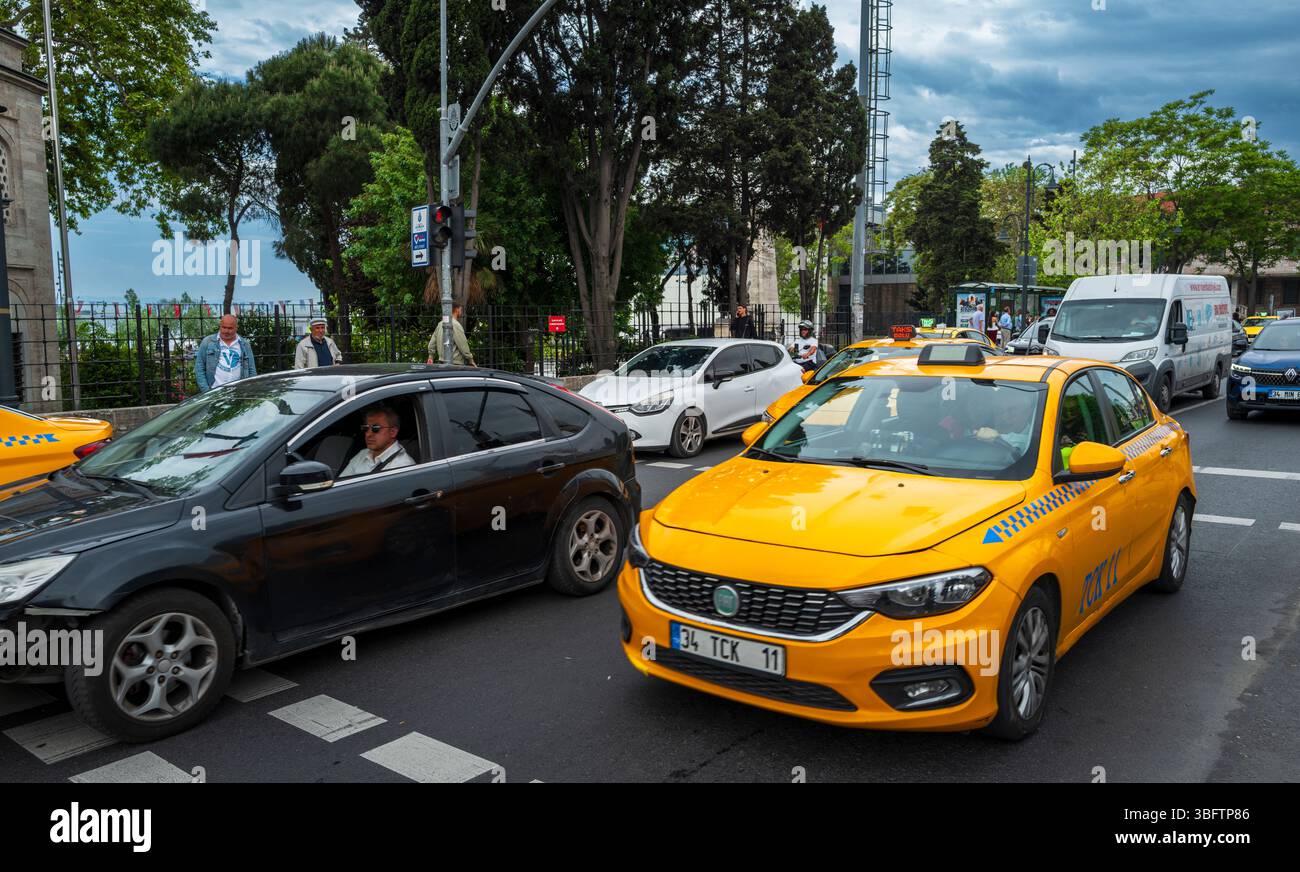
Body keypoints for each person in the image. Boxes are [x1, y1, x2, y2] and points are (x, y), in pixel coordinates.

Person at [339, 405, 415, 478]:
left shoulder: (403, 467)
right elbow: (341, 483)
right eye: (366, 428)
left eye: (376, 428)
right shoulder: (362, 454)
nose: (368, 434)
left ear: (393, 432)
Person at [195, 314, 256, 392]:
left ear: (236, 328)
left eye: (230, 328)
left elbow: (251, 370)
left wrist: (249, 391)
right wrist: (206, 391)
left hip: (238, 392)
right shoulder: (208, 342)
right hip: (214, 392)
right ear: (220, 326)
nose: (226, 331)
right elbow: (199, 368)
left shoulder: (244, 344)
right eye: (224, 327)